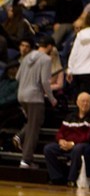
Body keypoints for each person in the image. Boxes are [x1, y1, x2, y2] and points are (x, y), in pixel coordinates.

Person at [15, 36, 58, 169]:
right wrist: (52, 99)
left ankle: (19, 136)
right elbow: (45, 81)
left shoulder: (27, 56)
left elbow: (17, 77)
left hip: (21, 95)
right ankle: (26, 160)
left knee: (33, 122)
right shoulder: (46, 59)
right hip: (34, 97)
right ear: (50, 46)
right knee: (34, 129)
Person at [43, 92, 90, 186]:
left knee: (78, 149)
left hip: (83, 145)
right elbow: (61, 132)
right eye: (83, 101)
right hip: (67, 144)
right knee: (48, 148)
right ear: (77, 102)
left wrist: (72, 144)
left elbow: (89, 136)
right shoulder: (70, 116)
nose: (85, 104)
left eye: (87, 102)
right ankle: (56, 177)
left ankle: (71, 179)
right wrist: (61, 141)